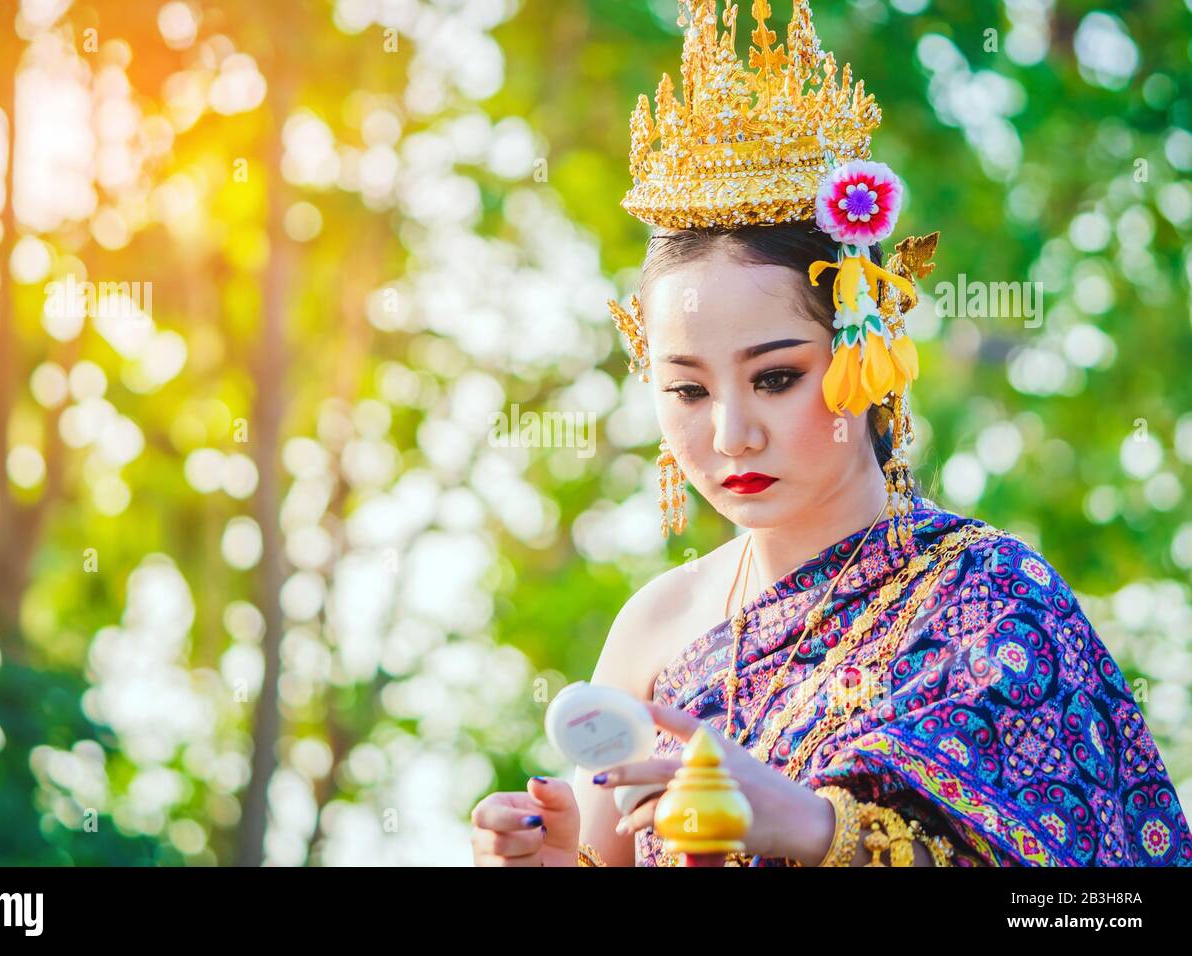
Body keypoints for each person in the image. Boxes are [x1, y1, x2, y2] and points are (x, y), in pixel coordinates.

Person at [469, 0, 1192, 867]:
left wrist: (817, 828)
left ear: (866, 346)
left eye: (776, 378)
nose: (732, 435)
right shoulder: (654, 628)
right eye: (687, 390)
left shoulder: (991, 599)